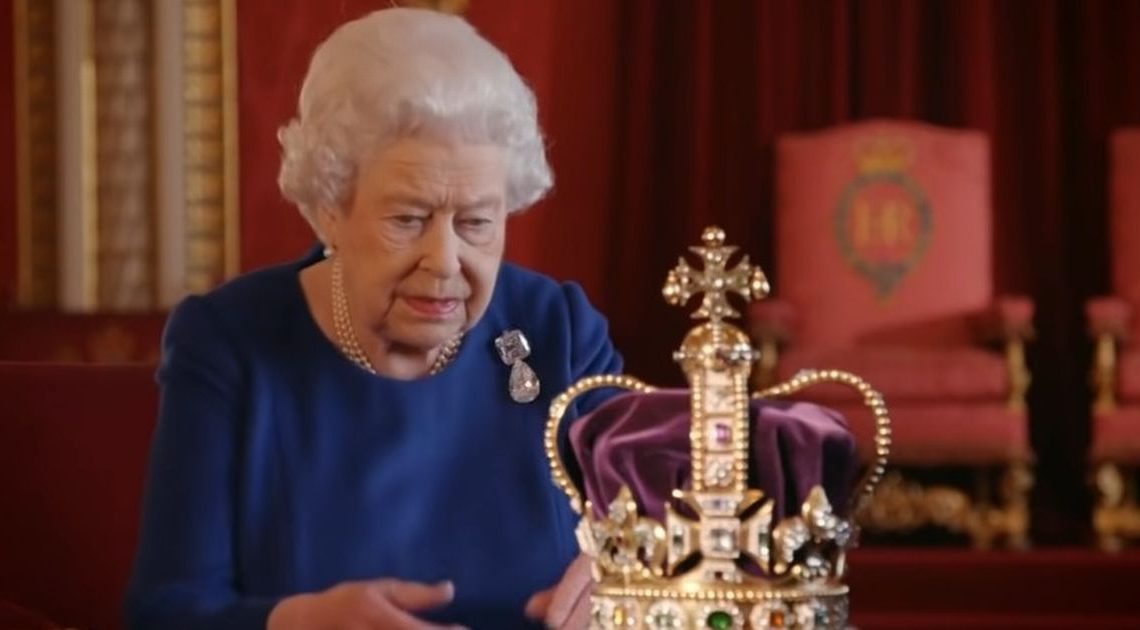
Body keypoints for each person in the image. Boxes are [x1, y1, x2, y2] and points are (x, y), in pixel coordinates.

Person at [125, 8, 619, 629]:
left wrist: (624, 586)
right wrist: (295, 623)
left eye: (476, 223)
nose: (444, 261)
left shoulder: (560, 333)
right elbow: (165, 612)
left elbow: (670, 540)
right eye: (408, 220)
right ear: (330, 207)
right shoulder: (230, 343)